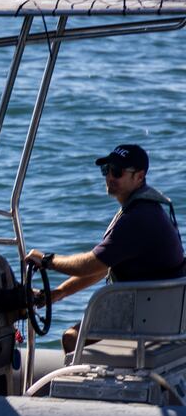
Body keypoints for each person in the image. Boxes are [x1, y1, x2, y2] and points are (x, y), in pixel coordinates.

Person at [25, 143, 186, 353]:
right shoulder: (147, 209)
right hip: (163, 316)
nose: (110, 177)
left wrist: (46, 260)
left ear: (139, 176)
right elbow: (103, 267)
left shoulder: (137, 219)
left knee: (72, 338)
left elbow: (90, 264)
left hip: (145, 320)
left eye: (117, 172)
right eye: (106, 170)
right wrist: (59, 293)